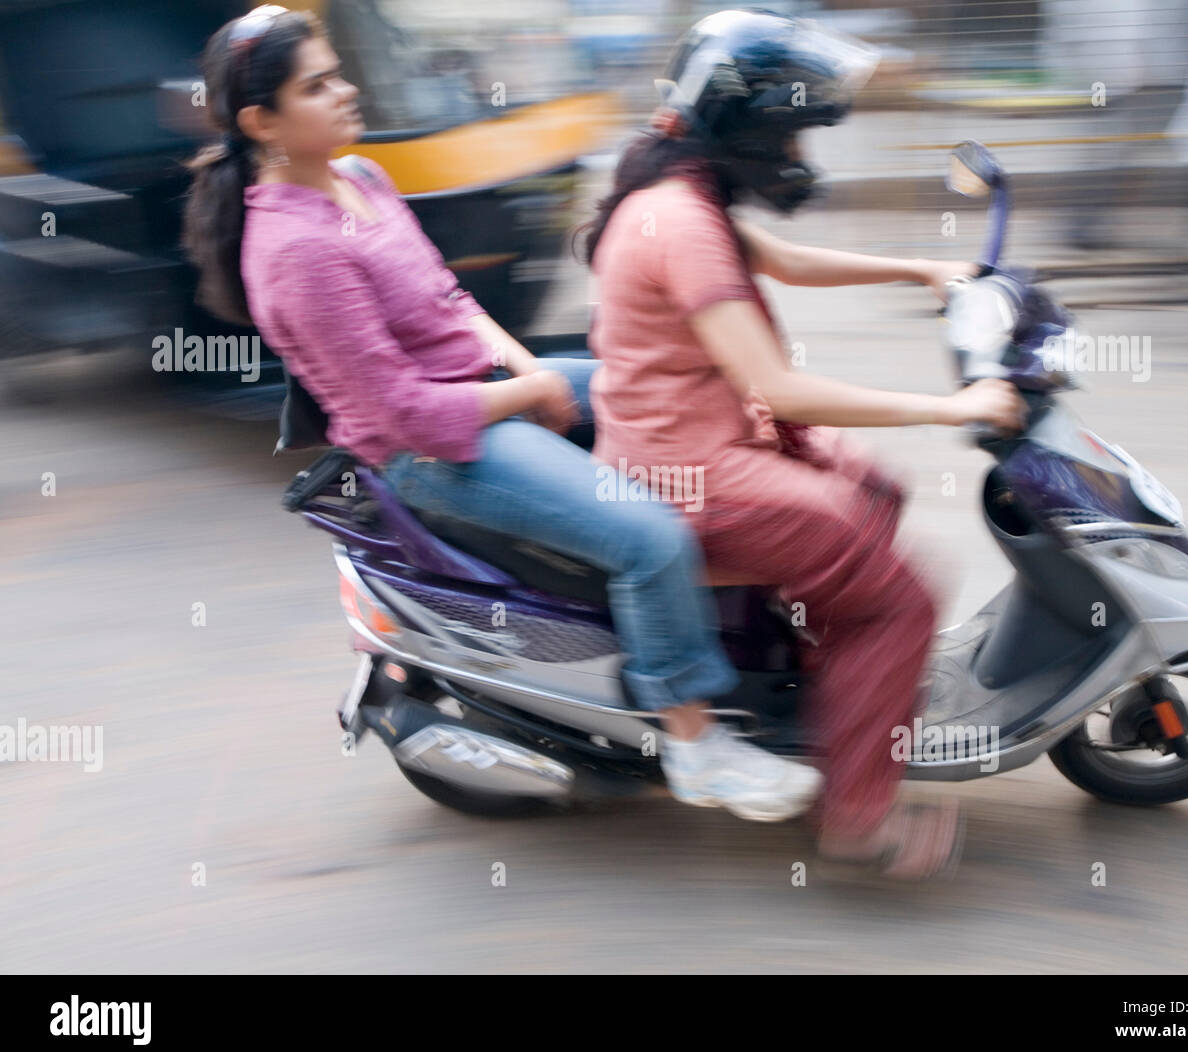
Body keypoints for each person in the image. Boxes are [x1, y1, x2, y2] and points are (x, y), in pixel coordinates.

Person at [182, 5, 822, 822]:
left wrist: (527, 367)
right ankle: (696, 743)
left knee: (722, 392)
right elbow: (403, 411)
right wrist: (529, 395)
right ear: (261, 121)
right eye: (318, 86)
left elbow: (449, 299)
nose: (346, 92)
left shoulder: (363, 179)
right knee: (651, 536)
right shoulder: (294, 251)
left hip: (489, 386)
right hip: (434, 449)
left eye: (338, 72)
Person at [580, 10, 1027, 877]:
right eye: (792, 135)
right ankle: (858, 813)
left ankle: (831, 683)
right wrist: (951, 406)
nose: (801, 156)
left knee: (878, 491)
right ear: (746, 128)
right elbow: (777, 388)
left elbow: (783, 260)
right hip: (690, 476)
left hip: (690, 448)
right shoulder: (680, 219)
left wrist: (923, 269)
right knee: (903, 595)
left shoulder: (684, 194)